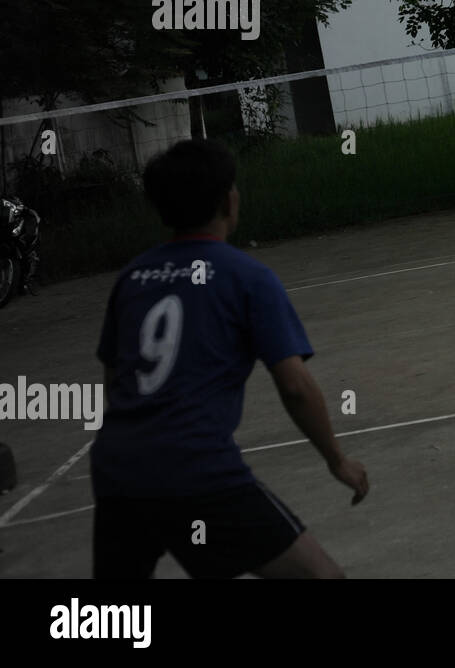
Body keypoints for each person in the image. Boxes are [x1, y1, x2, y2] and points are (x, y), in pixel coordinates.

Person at [91, 139, 368, 578]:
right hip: (198, 472)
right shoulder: (247, 276)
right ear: (228, 201)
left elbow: (114, 377)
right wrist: (336, 458)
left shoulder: (133, 276)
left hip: (117, 469)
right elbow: (295, 385)